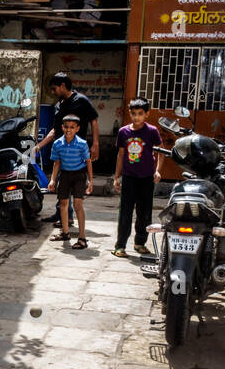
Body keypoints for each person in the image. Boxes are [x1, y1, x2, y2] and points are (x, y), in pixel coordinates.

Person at [35, 72, 100, 225]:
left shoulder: (81, 101)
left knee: (69, 182)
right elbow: (55, 130)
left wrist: (95, 143)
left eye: (54, 88)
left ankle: (68, 216)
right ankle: (61, 213)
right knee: (60, 182)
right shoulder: (59, 104)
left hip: (77, 151)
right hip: (61, 150)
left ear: (63, 86)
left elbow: (94, 120)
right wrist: (39, 146)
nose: (53, 92)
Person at [112, 97, 164, 257]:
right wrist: (117, 177)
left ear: (147, 114)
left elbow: (161, 152)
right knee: (125, 212)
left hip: (147, 178)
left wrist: (158, 171)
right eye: (133, 113)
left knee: (144, 213)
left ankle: (140, 243)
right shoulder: (123, 132)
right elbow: (121, 155)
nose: (136, 117)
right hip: (129, 178)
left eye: (140, 113)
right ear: (130, 113)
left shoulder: (152, 131)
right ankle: (120, 246)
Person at [47, 114, 93, 249]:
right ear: (62, 127)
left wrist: (90, 181)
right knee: (63, 203)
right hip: (65, 175)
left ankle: (82, 237)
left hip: (79, 175)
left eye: (72, 127)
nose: (69, 130)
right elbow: (57, 162)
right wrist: (52, 180)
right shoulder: (57, 143)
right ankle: (65, 233)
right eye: (66, 127)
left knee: (78, 205)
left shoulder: (82, 144)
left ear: (77, 128)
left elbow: (88, 162)